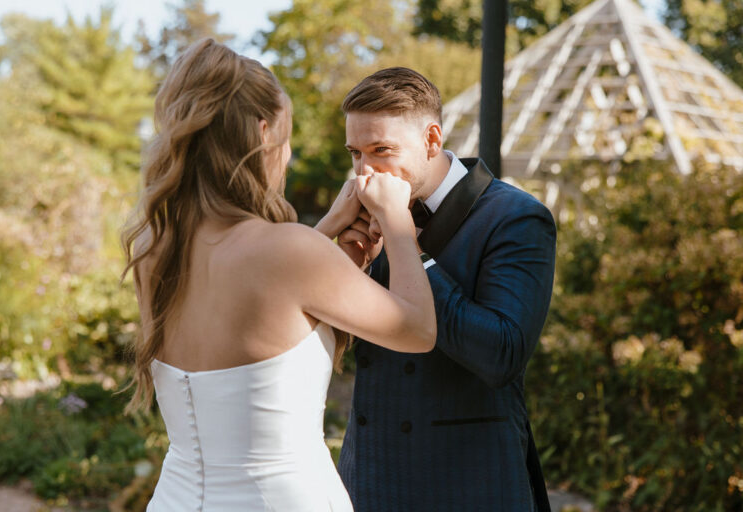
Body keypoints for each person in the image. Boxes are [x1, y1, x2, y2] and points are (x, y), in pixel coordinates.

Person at [120, 40, 436, 512]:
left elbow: (273, 315)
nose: (286, 156)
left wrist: (324, 232)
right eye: (287, 139)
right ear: (264, 133)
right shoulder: (290, 252)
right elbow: (417, 329)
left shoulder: (154, 249)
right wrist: (397, 226)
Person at [333, 67, 557, 512]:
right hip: (368, 481)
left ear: (432, 141)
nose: (366, 172)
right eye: (356, 154)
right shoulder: (360, 218)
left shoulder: (515, 217)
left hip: (469, 484)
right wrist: (346, 267)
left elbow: (501, 354)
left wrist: (404, 241)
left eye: (382, 150)